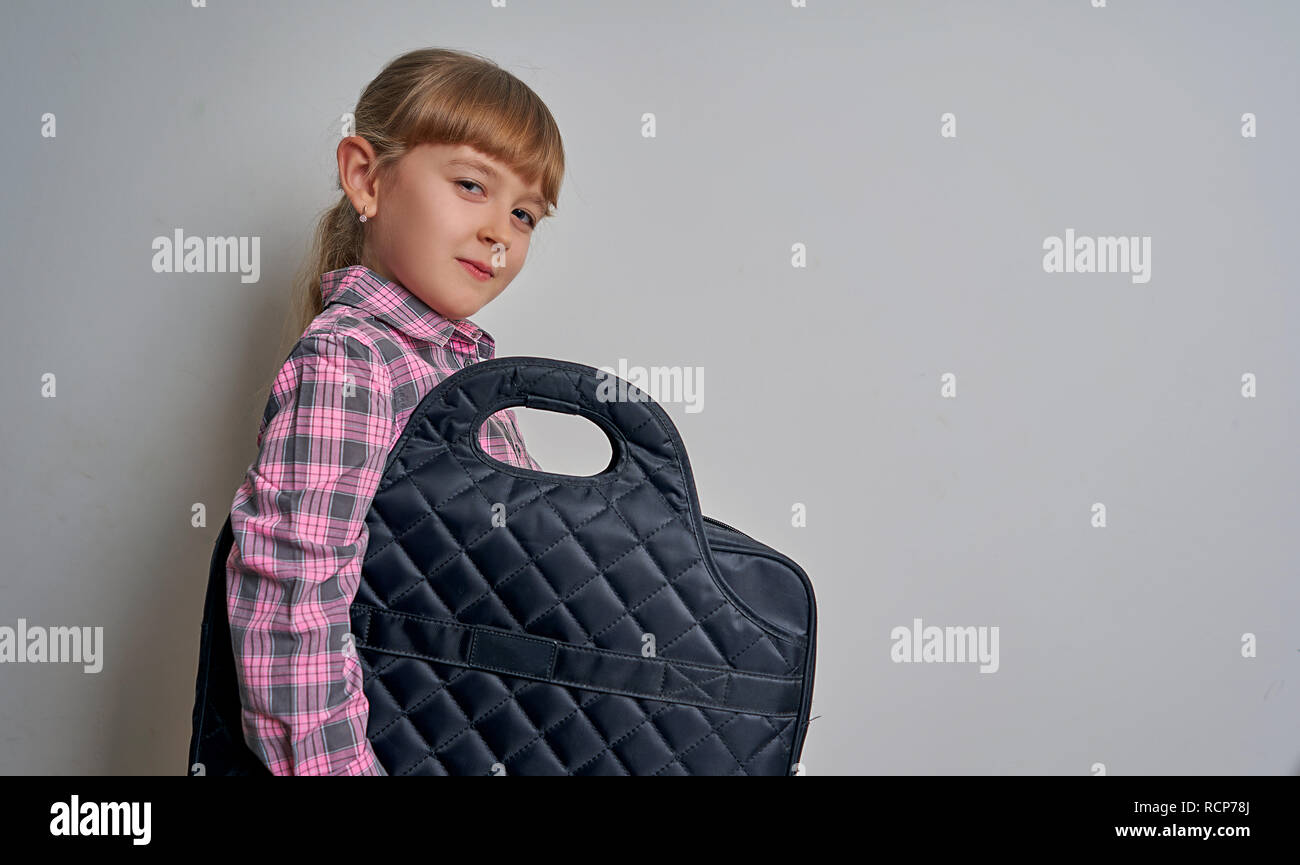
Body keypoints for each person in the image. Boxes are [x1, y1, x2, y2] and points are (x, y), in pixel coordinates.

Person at [225, 47, 565, 775]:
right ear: (366, 178)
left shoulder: (466, 374)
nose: (501, 231)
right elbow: (292, 598)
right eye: (472, 184)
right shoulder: (353, 361)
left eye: (525, 212)